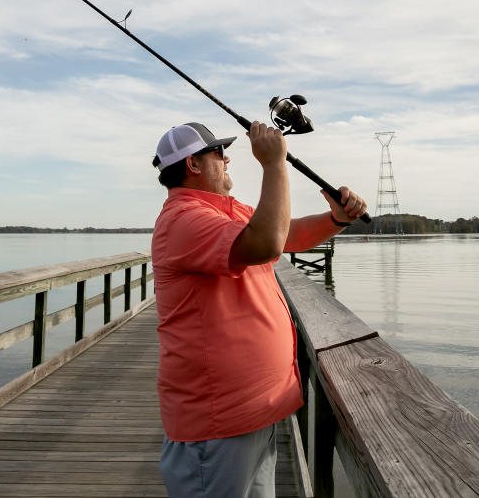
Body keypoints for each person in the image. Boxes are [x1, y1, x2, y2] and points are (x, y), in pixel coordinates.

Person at [150, 120, 367, 498]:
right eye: (218, 152)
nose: (228, 158)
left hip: (254, 414)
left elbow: (287, 235)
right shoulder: (184, 220)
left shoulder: (223, 211)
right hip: (217, 426)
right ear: (194, 165)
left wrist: (336, 219)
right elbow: (267, 243)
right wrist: (273, 164)